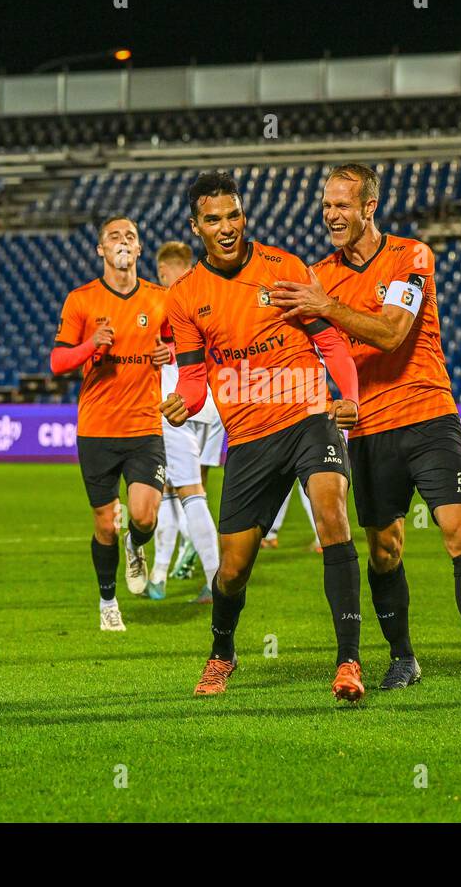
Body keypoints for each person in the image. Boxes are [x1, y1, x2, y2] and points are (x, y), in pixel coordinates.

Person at [271, 162, 461, 698]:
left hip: (429, 415)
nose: (332, 214)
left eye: (342, 205)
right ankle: (403, 658)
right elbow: (292, 345)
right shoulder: (318, 276)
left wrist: (326, 305)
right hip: (369, 430)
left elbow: (391, 334)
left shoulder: (412, 256)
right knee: (385, 550)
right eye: (327, 204)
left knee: (459, 530)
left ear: (368, 208)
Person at [162, 170, 365, 702]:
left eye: (233, 215)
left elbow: (332, 343)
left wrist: (348, 394)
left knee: (332, 516)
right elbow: (194, 377)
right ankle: (222, 652)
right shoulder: (184, 297)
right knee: (232, 570)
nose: (226, 227)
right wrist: (184, 402)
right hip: (249, 439)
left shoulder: (284, 268)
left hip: (308, 417)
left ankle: (349, 662)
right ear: (196, 227)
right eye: (213, 219)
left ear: (243, 215)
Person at [50, 216, 171, 632]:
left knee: (143, 516)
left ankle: (137, 545)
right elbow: (57, 362)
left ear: (139, 250)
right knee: (104, 523)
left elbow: (181, 342)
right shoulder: (80, 300)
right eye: (114, 237)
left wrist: (167, 352)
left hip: (144, 427)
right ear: (101, 250)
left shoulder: (159, 299)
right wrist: (90, 345)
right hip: (97, 429)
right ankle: (107, 601)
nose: (123, 242)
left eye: (131, 237)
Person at [149, 241, 222, 603]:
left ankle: (183, 574)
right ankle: (174, 568)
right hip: (211, 402)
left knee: (178, 488)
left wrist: (168, 352)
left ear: (164, 270)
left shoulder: (168, 299)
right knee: (195, 486)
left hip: (178, 399)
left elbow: (164, 349)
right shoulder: (208, 289)